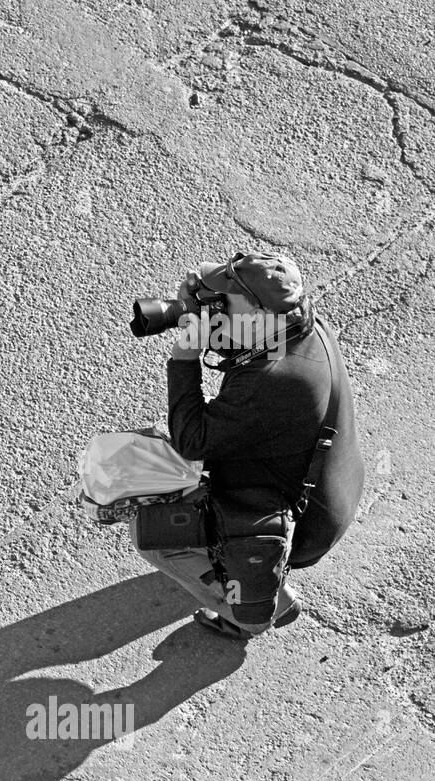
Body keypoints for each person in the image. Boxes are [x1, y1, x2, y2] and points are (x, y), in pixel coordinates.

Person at [132, 252, 365, 639]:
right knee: (159, 456)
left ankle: (253, 609)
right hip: (332, 482)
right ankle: (244, 574)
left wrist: (185, 355)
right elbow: (247, 349)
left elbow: (192, 441)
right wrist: (206, 307)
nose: (215, 306)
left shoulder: (274, 382)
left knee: (154, 536)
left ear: (256, 315)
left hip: (305, 522)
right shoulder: (298, 322)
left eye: (226, 300)